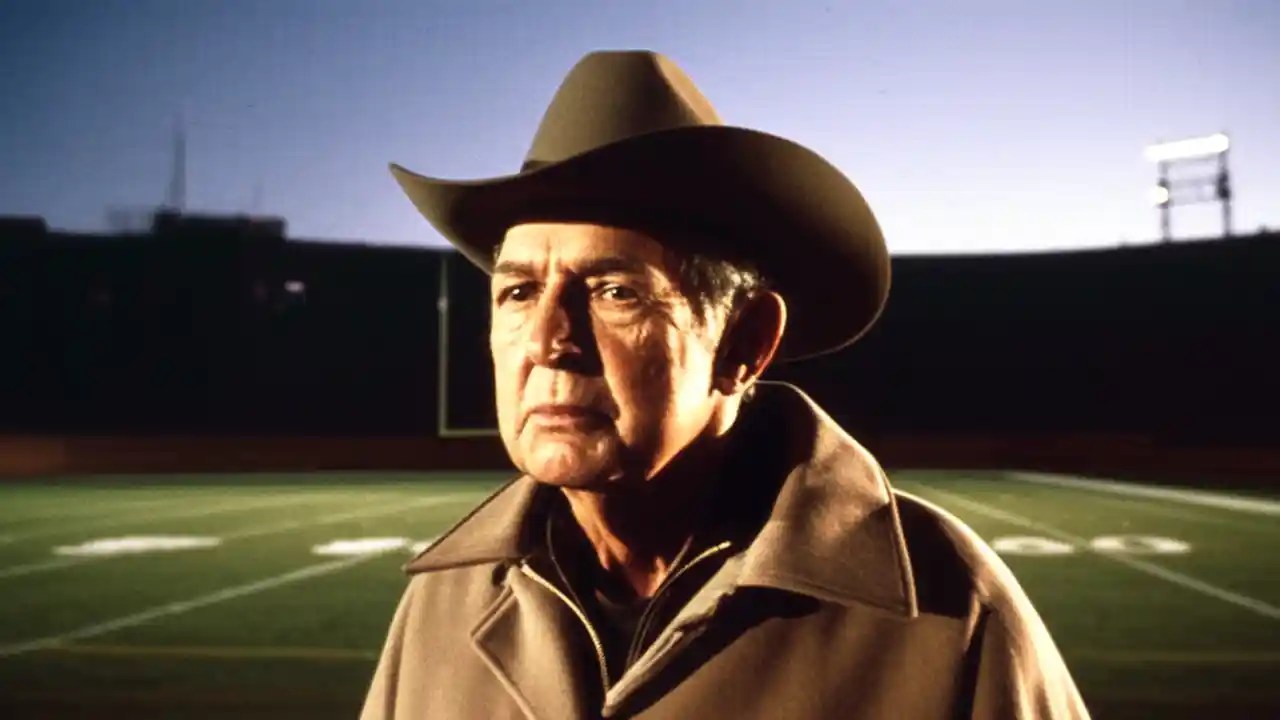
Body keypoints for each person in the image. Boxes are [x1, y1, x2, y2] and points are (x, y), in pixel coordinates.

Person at [363, 50, 1089, 719]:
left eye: (615, 292)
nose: (549, 342)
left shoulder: (948, 612)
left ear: (744, 343)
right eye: (519, 293)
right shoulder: (442, 604)